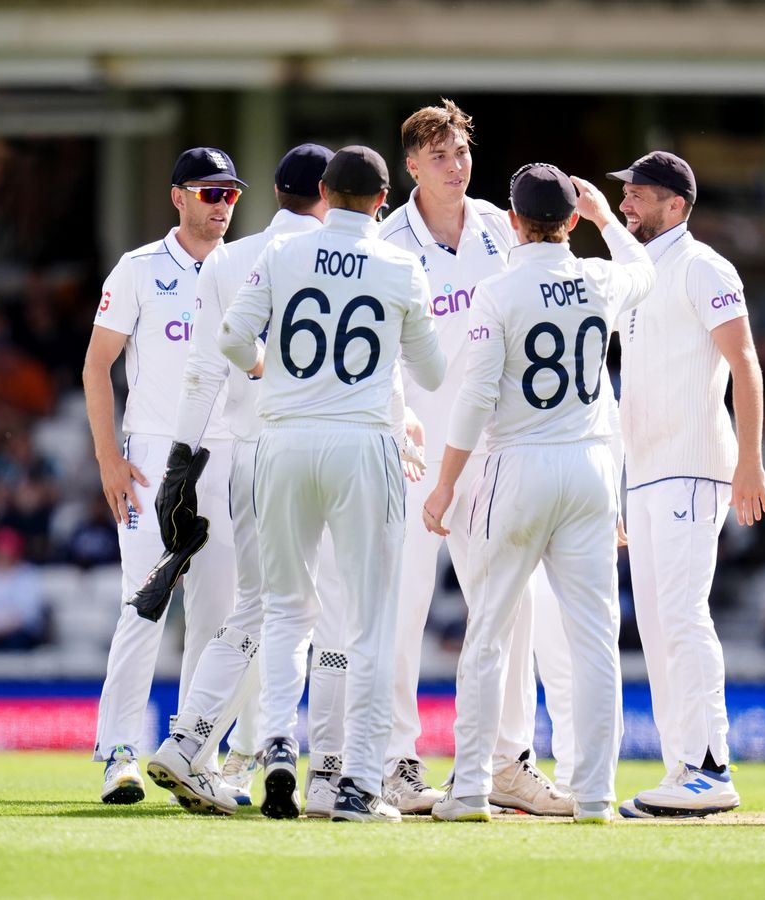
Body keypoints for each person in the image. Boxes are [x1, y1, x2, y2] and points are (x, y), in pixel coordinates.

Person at [219, 145, 445, 822]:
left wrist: (275, 373)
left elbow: (233, 339)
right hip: (362, 444)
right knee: (370, 623)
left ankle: (279, 743)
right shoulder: (402, 264)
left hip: (283, 440)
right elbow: (431, 374)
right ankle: (354, 787)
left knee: (287, 611)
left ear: (323, 191)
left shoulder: (283, 254)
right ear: (384, 200)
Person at [423, 165, 654, 823]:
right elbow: (646, 271)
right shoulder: (600, 277)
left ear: (515, 223)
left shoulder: (499, 291)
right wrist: (610, 219)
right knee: (593, 641)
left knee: (490, 634)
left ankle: (470, 789)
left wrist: (444, 485)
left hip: (519, 466)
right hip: (588, 472)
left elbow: (474, 398)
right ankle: (596, 796)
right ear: (571, 221)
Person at [378, 99, 575, 815]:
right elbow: (378, 345)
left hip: (493, 450)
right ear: (411, 165)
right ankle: (397, 761)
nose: (455, 167)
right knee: (400, 606)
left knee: (509, 608)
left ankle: (508, 763)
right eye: (439, 156)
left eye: (461, 153)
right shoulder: (387, 239)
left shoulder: (500, 224)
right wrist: (397, 417)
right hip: (411, 449)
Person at [147, 143, 351, 815]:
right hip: (326, 451)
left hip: (248, 454)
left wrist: (180, 463)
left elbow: (205, 372)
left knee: (257, 610)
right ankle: (309, 765)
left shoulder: (229, 259)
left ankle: (193, 744)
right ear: (328, 191)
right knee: (325, 616)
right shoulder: (346, 257)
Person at [610, 151, 765, 818]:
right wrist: (619, 487)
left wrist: (750, 460)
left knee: (681, 615)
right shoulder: (638, 275)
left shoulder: (704, 266)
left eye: (638, 196)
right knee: (656, 626)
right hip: (646, 474)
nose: (627, 206)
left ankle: (710, 766)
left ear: (676, 205)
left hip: (694, 465)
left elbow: (745, 360)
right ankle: (685, 769)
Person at [83, 148, 241, 804]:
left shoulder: (248, 269)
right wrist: (108, 460)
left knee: (218, 616)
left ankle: (191, 756)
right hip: (154, 457)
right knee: (144, 605)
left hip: (231, 453)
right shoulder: (140, 268)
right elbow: (97, 367)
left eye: (231, 194)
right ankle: (118, 752)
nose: (222, 206)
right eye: (210, 193)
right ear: (178, 196)